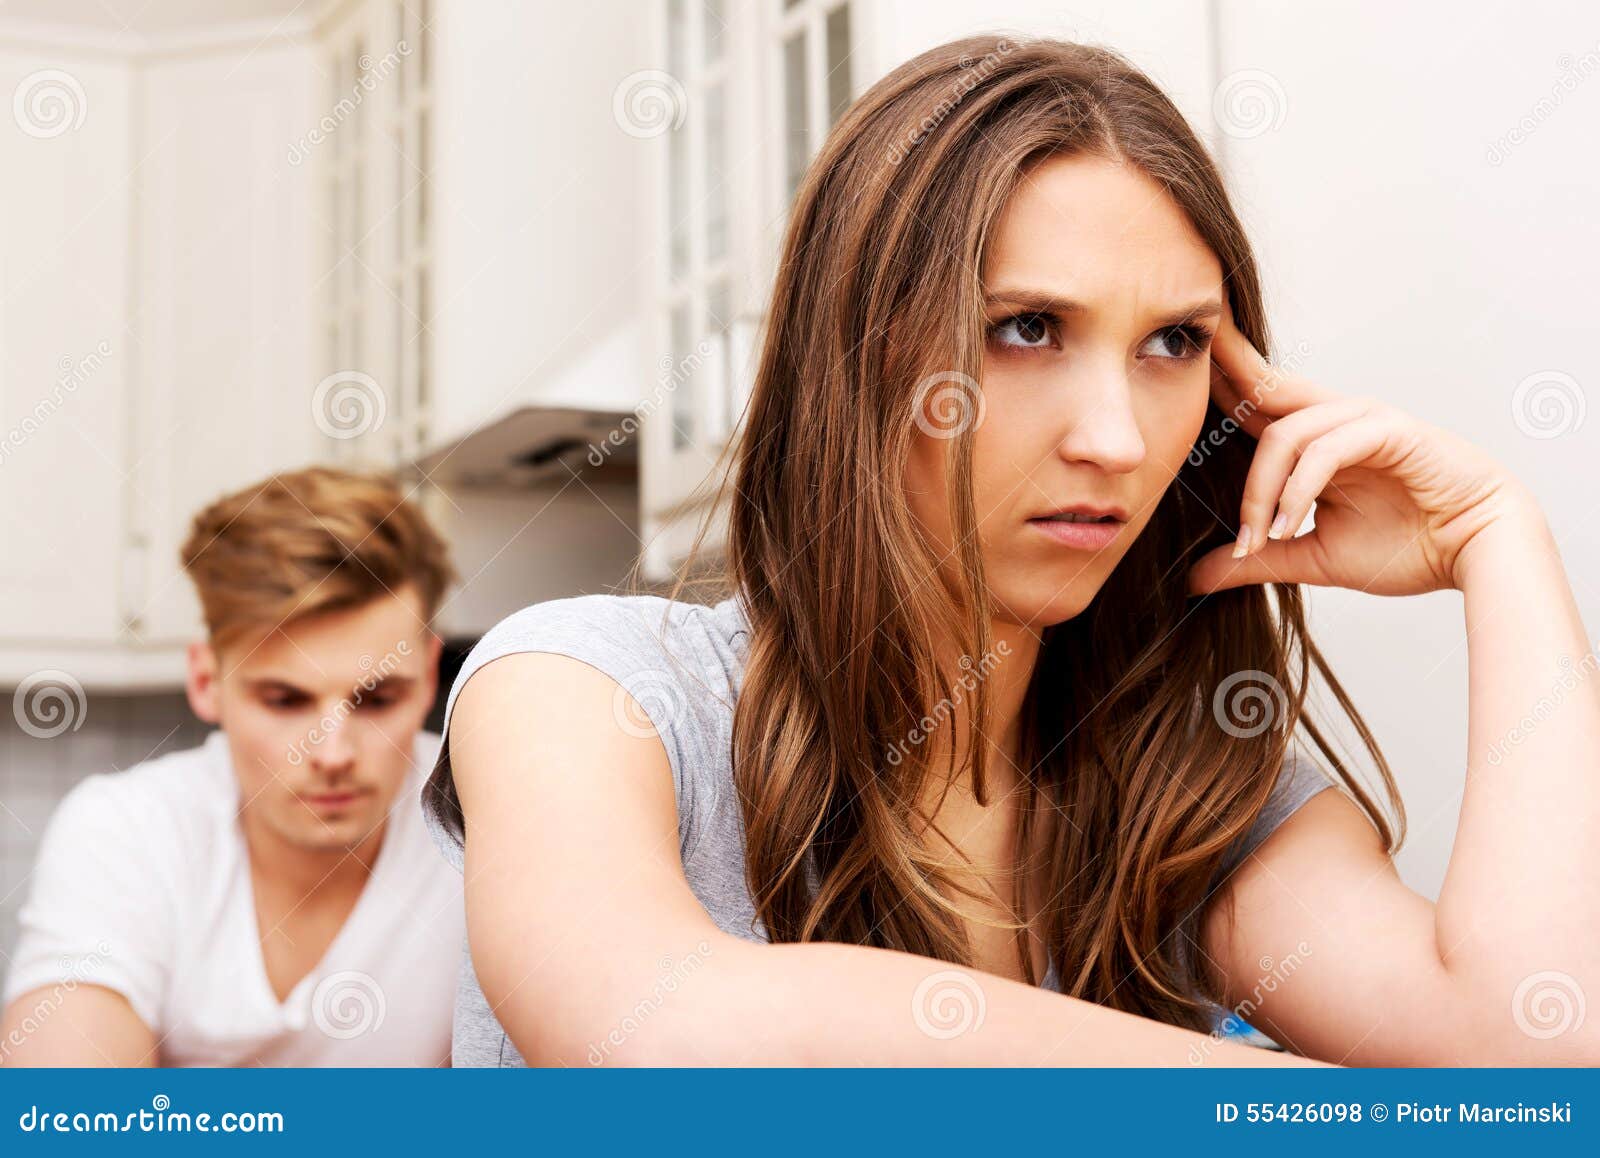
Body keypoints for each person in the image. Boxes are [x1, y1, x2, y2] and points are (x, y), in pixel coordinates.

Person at [421, 35, 1600, 1066]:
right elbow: (657, 1033)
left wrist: (1497, 540)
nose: (1117, 440)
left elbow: (1529, 1047)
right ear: (861, 359)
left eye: (1173, 343)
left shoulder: (1195, 807)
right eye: (1025, 330)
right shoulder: (587, 688)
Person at [1, 467, 465, 1066]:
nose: (333, 755)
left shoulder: (488, 824)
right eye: (285, 700)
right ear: (205, 681)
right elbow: (67, 1121)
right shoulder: (126, 828)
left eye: (377, 700)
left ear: (429, 675)